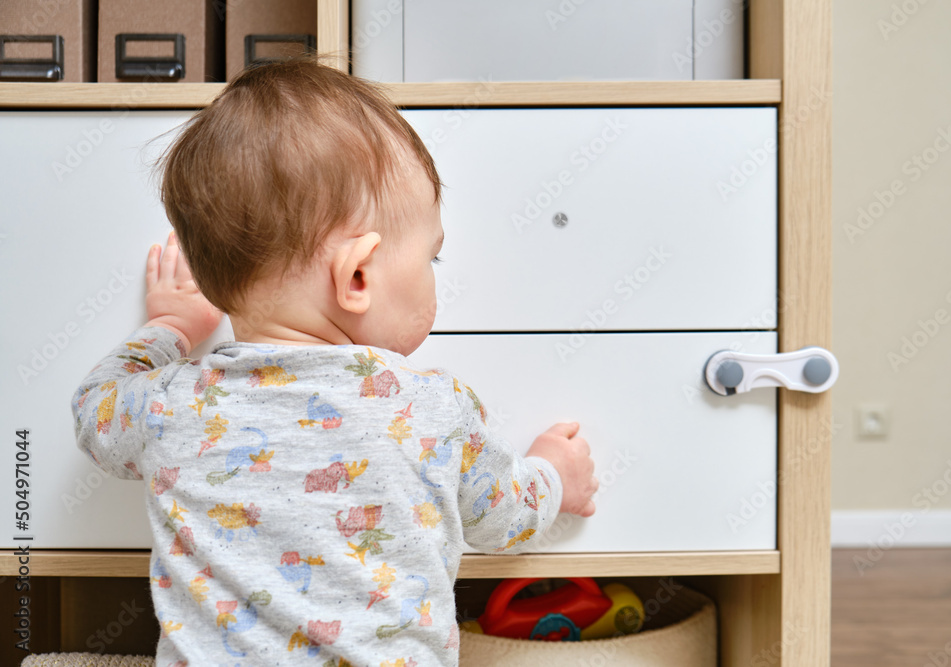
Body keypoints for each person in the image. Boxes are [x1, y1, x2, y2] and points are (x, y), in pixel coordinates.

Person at [71, 57, 597, 667]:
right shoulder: (430, 407)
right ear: (357, 276)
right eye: (432, 259)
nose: (433, 278)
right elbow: (505, 517)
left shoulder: (169, 403)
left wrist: (169, 329)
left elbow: (93, 412)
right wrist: (556, 475)